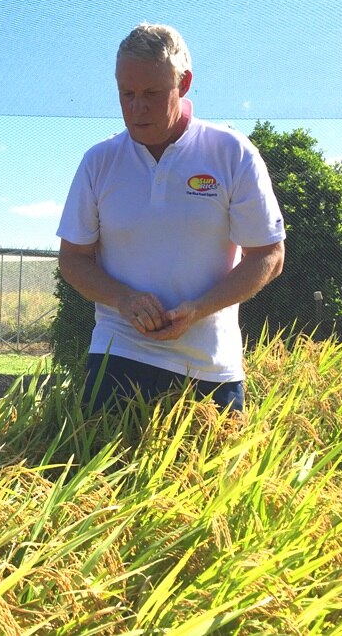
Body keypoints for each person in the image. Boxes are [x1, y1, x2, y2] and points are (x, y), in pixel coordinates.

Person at [57, 23, 285, 413]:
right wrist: (123, 299)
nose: (137, 108)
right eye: (126, 94)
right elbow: (73, 259)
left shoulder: (231, 153)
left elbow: (268, 255)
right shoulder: (100, 161)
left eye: (152, 94)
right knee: (101, 473)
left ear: (185, 83)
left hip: (211, 366)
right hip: (118, 355)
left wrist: (198, 309)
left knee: (213, 475)